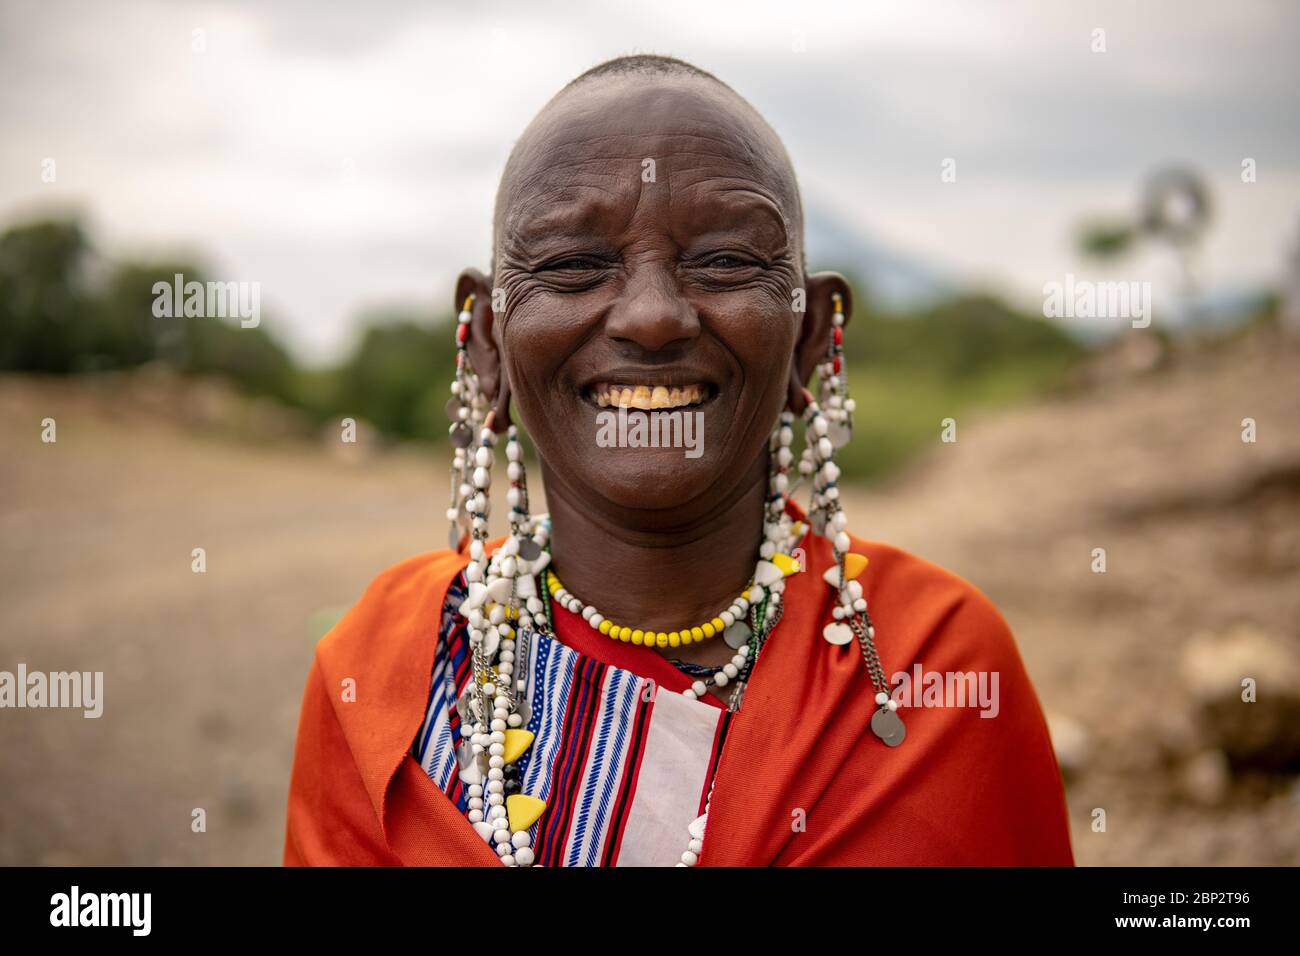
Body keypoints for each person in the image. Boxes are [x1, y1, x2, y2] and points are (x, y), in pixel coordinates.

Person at [284, 55, 1074, 867]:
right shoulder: (380, 674)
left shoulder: (933, 666)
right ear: (486, 340)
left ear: (809, 336)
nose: (654, 317)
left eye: (726, 261)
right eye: (572, 265)